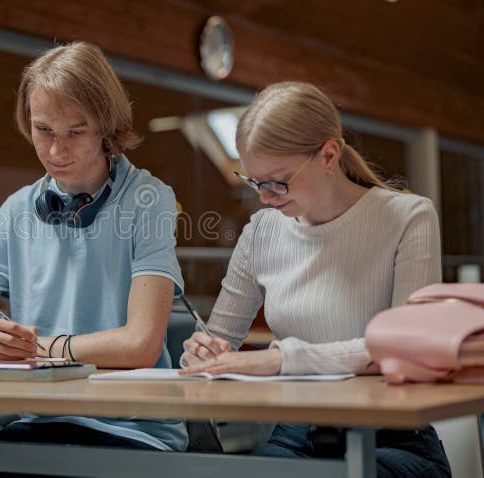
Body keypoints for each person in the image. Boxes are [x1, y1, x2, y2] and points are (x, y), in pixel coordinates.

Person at [0, 41, 187, 477]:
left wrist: (40, 350)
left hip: (134, 433)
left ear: (106, 126)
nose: (55, 151)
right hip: (43, 425)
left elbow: (140, 345)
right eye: (43, 130)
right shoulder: (16, 209)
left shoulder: (148, 198)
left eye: (76, 131)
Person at [179, 81, 451, 477]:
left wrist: (283, 359)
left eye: (278, 181)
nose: (265, 198)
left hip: (392, 439)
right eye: (254, 182)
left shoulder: (408, 217)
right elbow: (218, 339)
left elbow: (403, 353)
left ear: (328, 155)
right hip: (296, 437)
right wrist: (201, 351)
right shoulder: (261, 232)